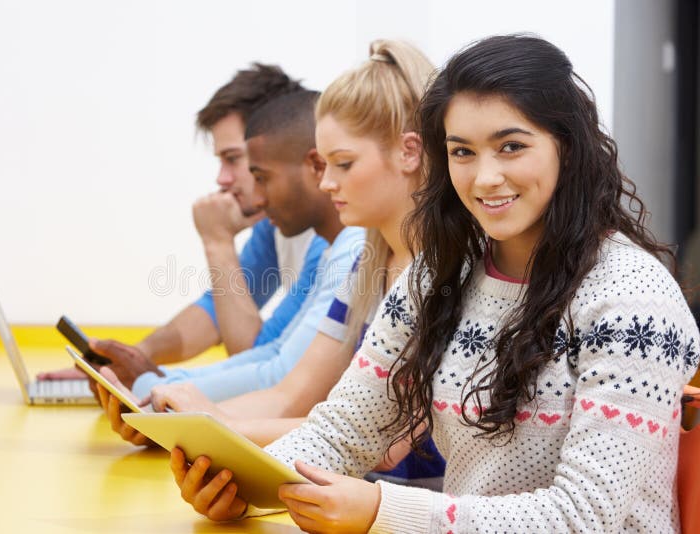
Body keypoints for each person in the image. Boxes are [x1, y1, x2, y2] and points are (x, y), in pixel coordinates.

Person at [169, 34, 700, 532]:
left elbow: (586, 517)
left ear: (568, 146)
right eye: (462, 151)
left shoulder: (632, 298)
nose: (484, 176)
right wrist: (241, 484)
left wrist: (384, 511)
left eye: (511, 146)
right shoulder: (436, 275)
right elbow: (344, 433)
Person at [145, 39, 445, 485]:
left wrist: (214, 425)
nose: (325, 183)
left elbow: (368, 436)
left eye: (342, 163)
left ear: (410, 152)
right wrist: (191, 423)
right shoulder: (366, 264)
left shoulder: (444, 274)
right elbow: (293, 394)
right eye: (324, 165)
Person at [96, 89, 364, 444]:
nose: (251, 191)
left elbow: (273, 371)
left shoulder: (351, 248)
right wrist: (153, 380)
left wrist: (159, 393)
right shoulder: (310, 240)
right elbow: (257, 341)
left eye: (237, 161)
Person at [38, 64, 328, 382]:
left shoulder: (332, 239)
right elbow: (217, 312)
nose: (222, 179)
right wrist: (124, 361)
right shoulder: (274, 227)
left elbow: (258, 355)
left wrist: (217, 243)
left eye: (233, 159)